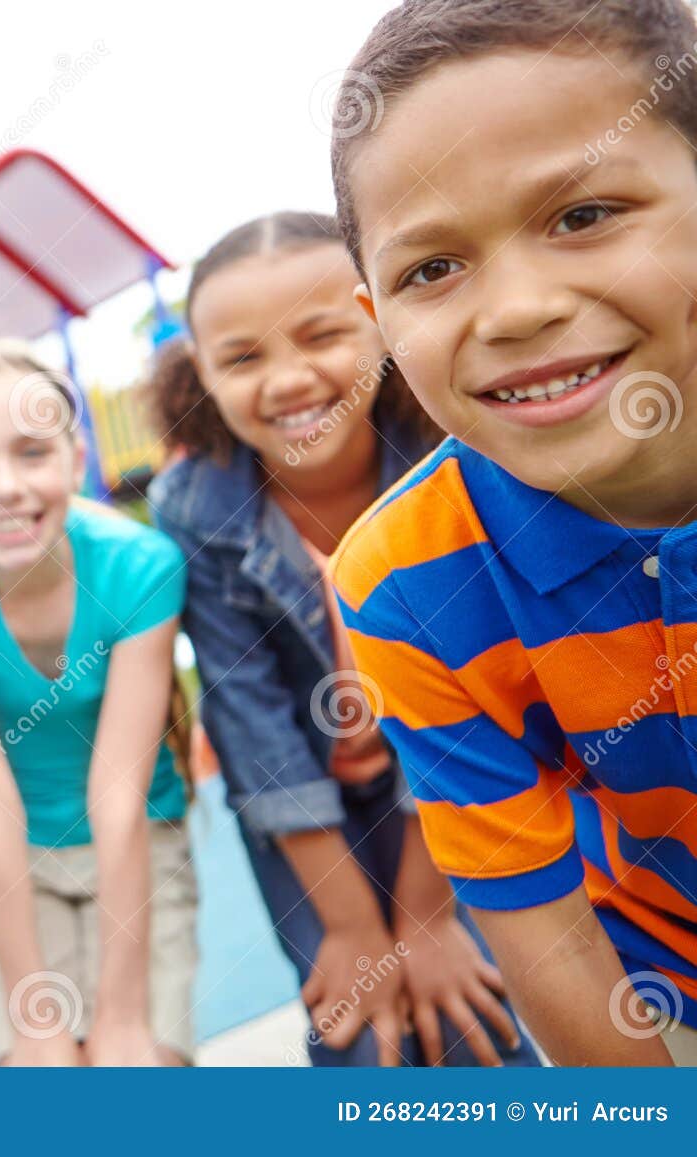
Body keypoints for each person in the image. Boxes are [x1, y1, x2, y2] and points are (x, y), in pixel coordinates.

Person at [330, 0, 697, 1065]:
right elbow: (544, 931)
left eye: (583, 214)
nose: (516, 309)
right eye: (430, 269)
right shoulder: (405, 579)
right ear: (379, 323)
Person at [147, 210, 538, 1067]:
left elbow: (471, 708)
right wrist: (357, 926)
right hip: (305, 807)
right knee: (364, 1032)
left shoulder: (451, 453)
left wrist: (428, 918)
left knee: (475, 1019)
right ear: (201, 374)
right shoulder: (195, 506)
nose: (287, 379)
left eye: (321, 335)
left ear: (379, 322)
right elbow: (249, 719)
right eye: (242, 358)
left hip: (466, 771)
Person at [0, 341, 196, 1066]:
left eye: (32, 453)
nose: (5, 487)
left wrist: (121, 1018)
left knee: (141, 1064)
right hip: (12, 853)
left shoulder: (137, 566)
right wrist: (35, 1017)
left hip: (138, 835)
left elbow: (118, 796)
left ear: (74, 457)